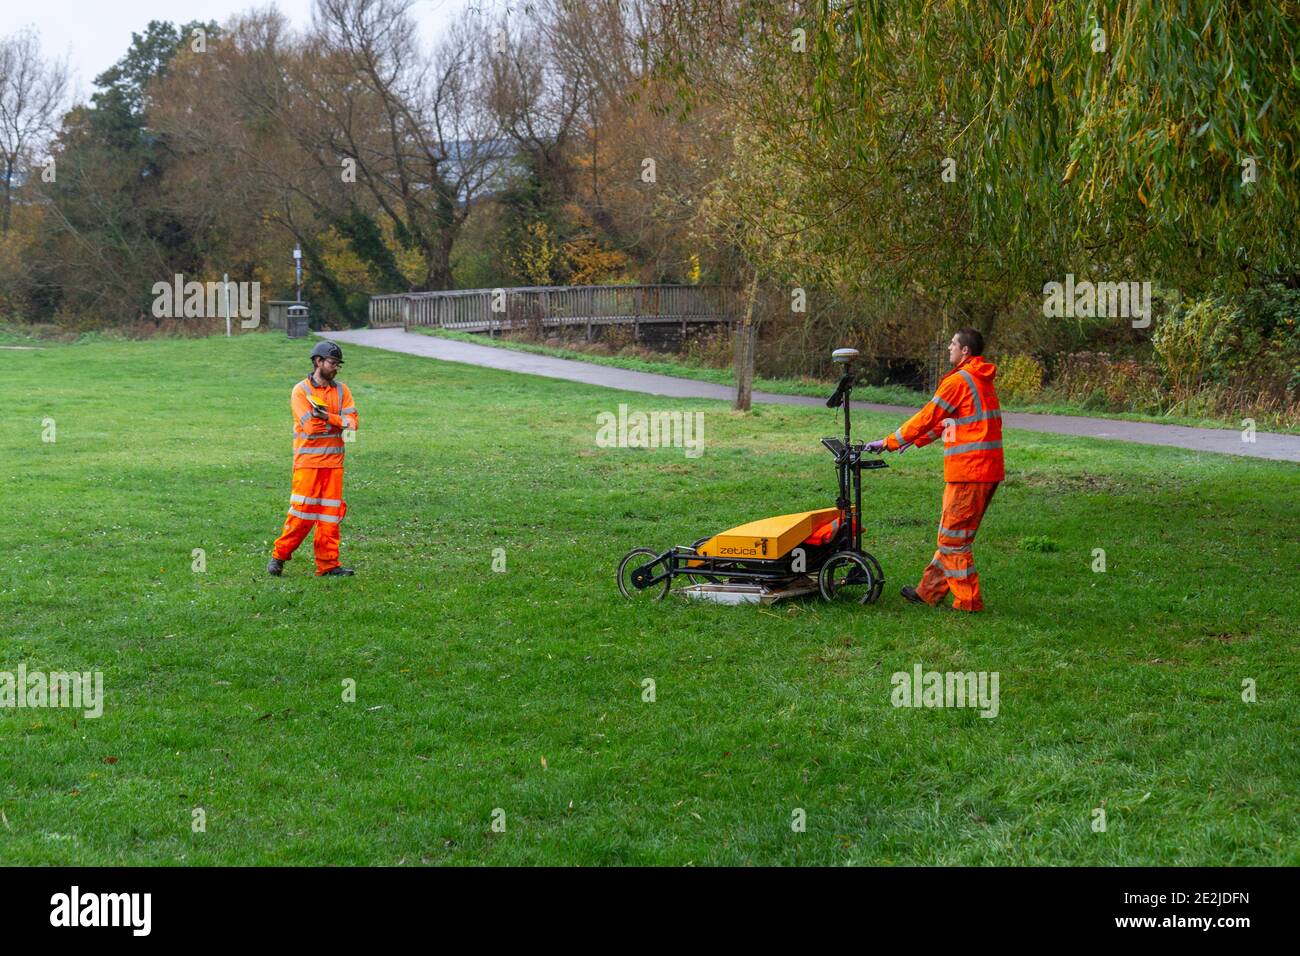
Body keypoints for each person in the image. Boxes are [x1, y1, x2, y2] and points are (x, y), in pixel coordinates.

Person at [866, 328, 1003, 611]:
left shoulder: (958, 381)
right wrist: (915, 440)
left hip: (969, 472)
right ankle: (927, 592)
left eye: (952, 344)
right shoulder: (979, 379)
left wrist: (890, 441)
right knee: (954, 537)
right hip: (983, 471)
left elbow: (929, 415)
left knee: (953, 541)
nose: (948, 348)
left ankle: (968, 602)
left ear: (965, 351)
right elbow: (947, 423)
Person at [267, 340, 359, 577]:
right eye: (332, 362)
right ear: (318, 362)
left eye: (338, 364)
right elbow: (311, 427)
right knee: (301, 515)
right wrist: (337, 421)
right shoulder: (301, 391)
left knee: (330, 518)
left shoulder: (343, 391)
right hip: (308, 466)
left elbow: (352, 425)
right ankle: (279, 556)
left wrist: (329, 418)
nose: (336, 368)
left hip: (334, 467)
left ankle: (328, 565)